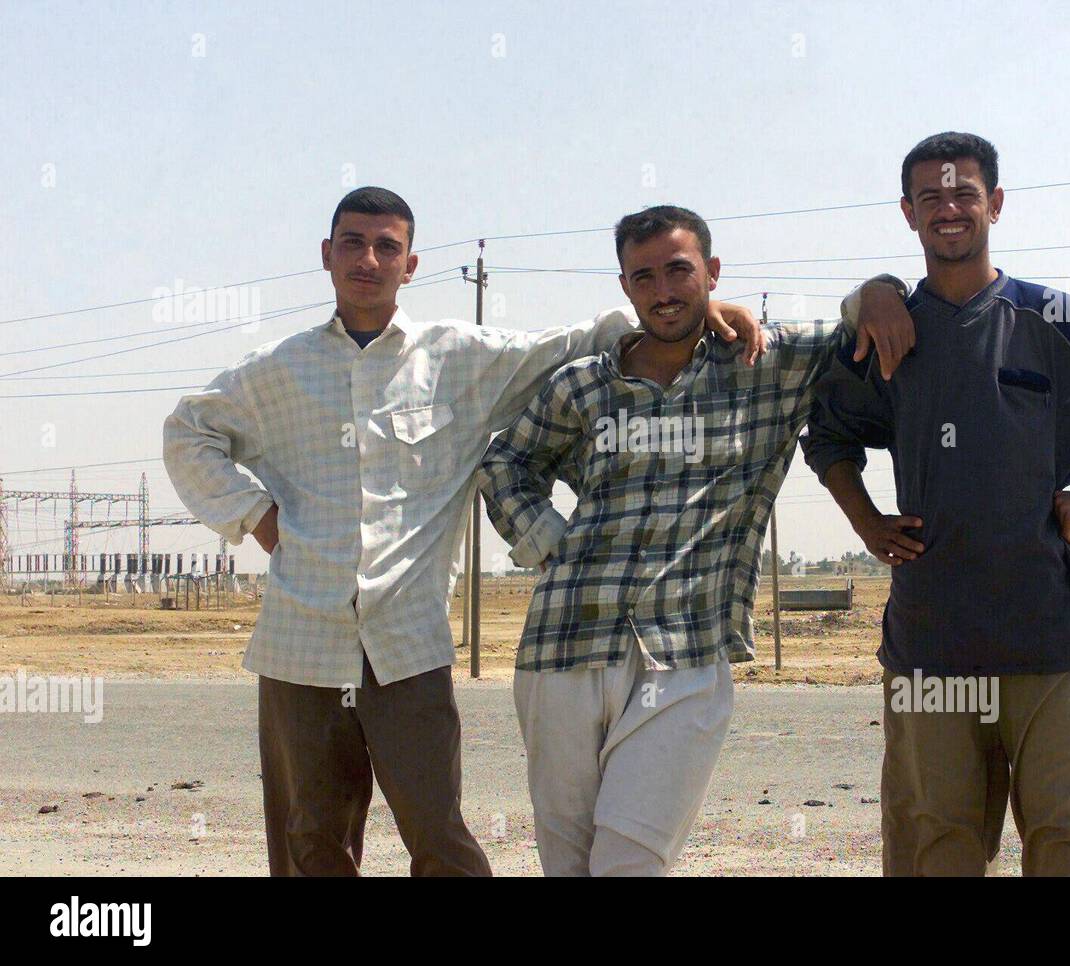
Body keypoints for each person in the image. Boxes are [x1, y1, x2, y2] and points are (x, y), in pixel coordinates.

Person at [161, 186, 772, 876]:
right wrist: (256, 519)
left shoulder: (457, 359)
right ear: (327, 255)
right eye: (354, 243)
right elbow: (188, 429)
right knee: (310, 846)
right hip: (299, 644)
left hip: (407, 646)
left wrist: (697, 314)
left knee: (441, 840)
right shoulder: (277, 372)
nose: (369, 258)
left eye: (387, 246)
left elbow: (581, 341)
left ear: (411, 263)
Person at [800, 133, 1070, 876]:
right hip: (930, 647)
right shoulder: (887, 329)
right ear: (908, 213)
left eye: (963, 195)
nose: (948, 210)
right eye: (931, 198)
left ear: (996, 204)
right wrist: (864, 521)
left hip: (1048, 642)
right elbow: (828, 433)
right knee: (933, 849)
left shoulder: (1053, 316)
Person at [477, 204, 913, 875]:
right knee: (567, 865)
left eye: (679, 270)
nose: (663, 290)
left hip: (685, 651)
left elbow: (857, 319)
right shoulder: (582, 385)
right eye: (643, 276)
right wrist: (550, 543)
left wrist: (881, 289)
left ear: (712, 271)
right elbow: (505, 462)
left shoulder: (768, 362)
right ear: (625, 288)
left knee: (628, 860)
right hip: (562, 645)